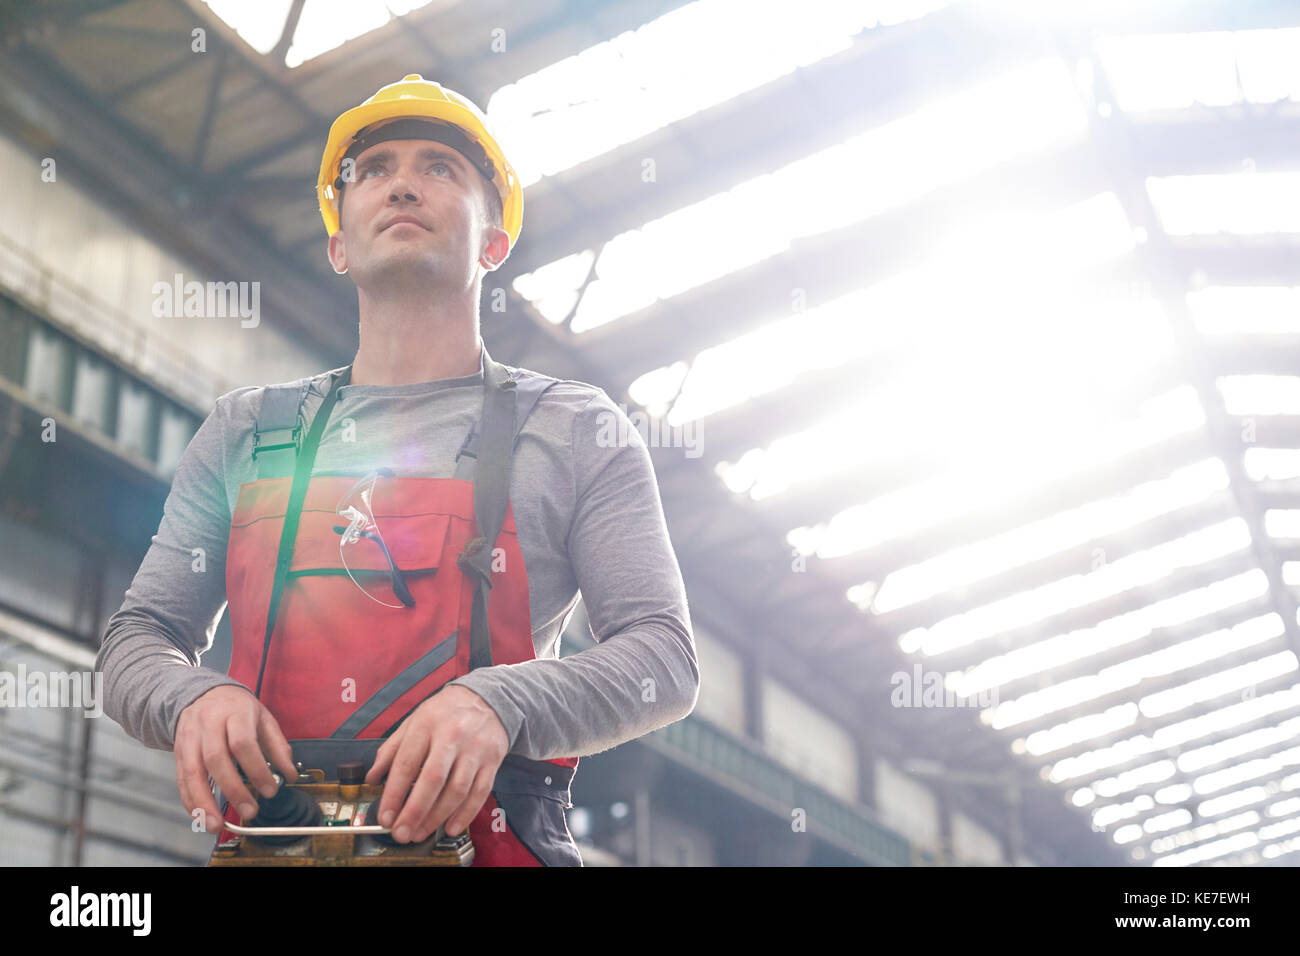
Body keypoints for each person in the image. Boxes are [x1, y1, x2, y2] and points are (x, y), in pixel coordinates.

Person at [96, 75, 699, 866]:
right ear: (339, 244)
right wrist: (192, 696)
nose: (403, 183)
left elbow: (664, 658)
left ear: (494, 241)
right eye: (373, 169)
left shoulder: (575, 427)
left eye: (441, 168)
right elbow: (137, 640)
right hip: (278, 846)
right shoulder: (246, 430)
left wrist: (500, 701)